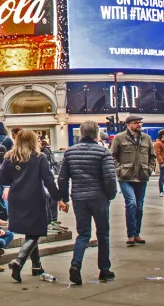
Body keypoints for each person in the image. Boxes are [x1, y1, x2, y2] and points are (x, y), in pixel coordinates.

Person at [0, 129, 65, 283]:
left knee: (30, 232)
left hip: (16, 198)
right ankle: (19, 261)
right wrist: (59, 198)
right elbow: (49, 180)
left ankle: (37, 266)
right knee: (35, 232)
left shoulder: (9, 157)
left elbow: (3, 178)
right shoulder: (39, 157)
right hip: (34, 197)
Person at [58, 120, 116, 285]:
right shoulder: (103, 152)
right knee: (103, 233)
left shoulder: (70, 152)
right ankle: (104, 270)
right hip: (99, 197)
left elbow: (62, 178)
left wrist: (64, 198)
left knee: (83, 233)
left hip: (79, 197)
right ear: (97, 133)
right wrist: (110, 195)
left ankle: (75, 265)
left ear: (81, 133)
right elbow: (110, 178)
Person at [110, 114, 155, 245]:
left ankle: (136, 234)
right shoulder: (119, 138)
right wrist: (119, 169)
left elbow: (152, 156)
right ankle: (130, 234)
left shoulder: (147, 138)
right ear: (128, 124)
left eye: (140, 123)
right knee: (131, 204)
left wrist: (149, 169)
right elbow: (112, 156)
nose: (139, 125)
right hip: (125, 177)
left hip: (142, 176)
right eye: (136, 123)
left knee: (139, 207)